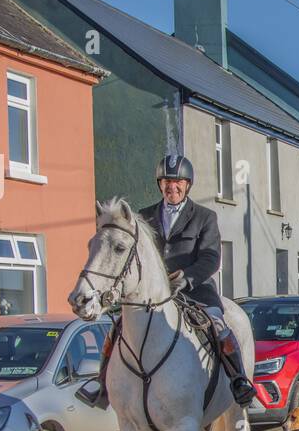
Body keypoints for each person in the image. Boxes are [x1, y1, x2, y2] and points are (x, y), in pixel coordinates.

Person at [89, 154, 258, 409]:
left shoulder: (204, 217)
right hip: (153, 295)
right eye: (167, 181)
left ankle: (238, 380)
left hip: (195, 291)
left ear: (187, 184)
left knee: (219, 325)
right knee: (117, 329)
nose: (172, 187)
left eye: (178, 181)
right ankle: (101, 385)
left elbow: (211, 258)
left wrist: (187, 278)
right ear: (160, 185)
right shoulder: (144, 217)